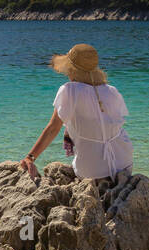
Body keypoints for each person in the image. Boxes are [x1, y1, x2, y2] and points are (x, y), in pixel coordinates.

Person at [19, 43, 132, 185]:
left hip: (91, 171)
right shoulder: (112, 91)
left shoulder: (69, 91)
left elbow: (53, 128)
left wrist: (30, 157)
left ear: (71, 69)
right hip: (124, 164)